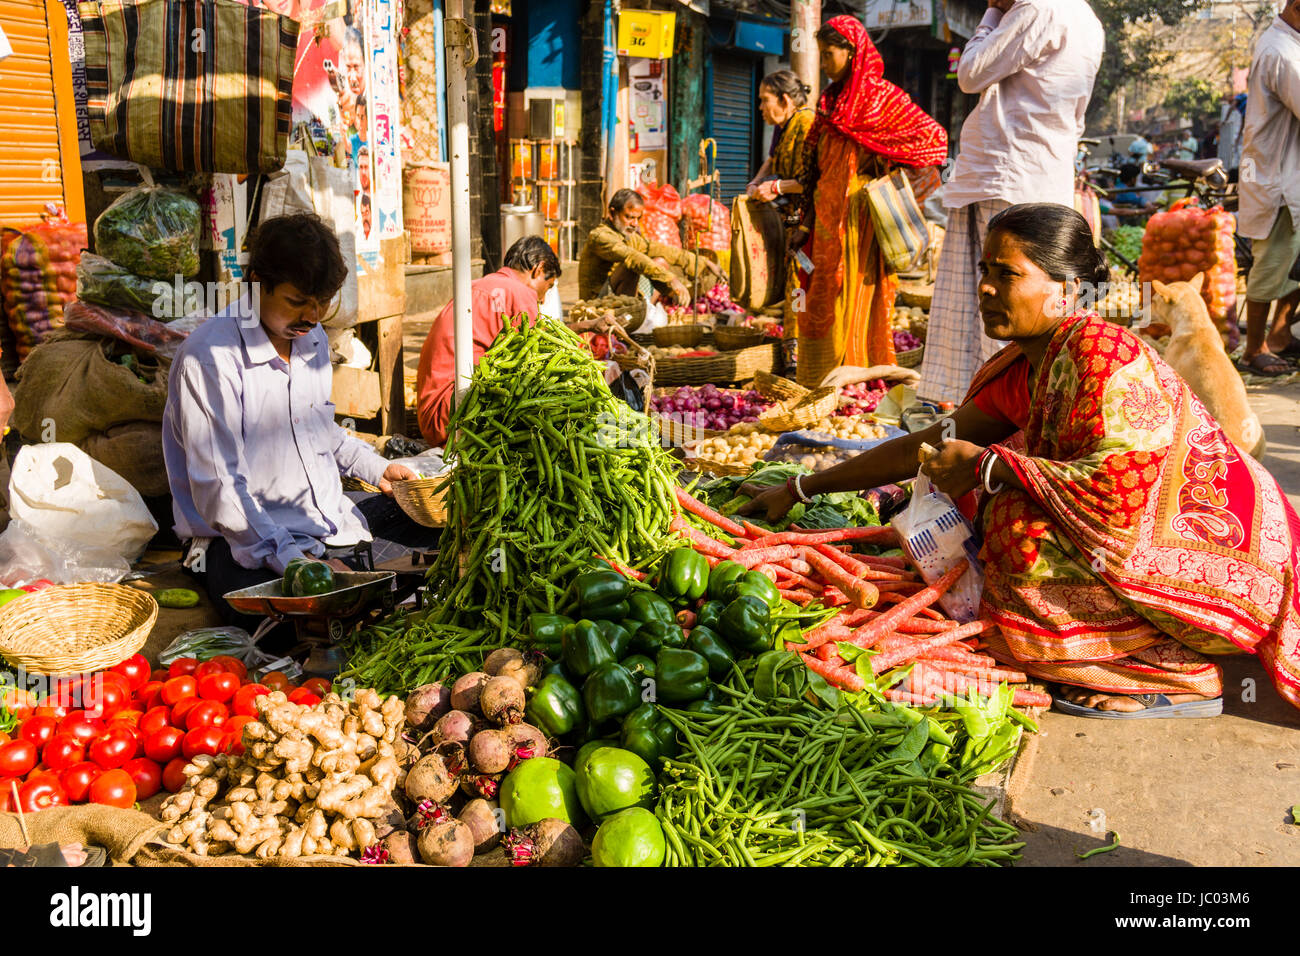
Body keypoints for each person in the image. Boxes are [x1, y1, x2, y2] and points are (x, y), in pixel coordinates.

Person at [743, 203, 1300, 717]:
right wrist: (798, 489)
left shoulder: (1103, 355)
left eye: (1007, 274)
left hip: (1230, 565)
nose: (985, 288)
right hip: (1161, 551)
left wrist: (990, 467)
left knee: (1013, 525)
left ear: (1070, 289)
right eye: (985, 270)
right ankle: (1100, 641)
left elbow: (1123, 489)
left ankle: (1165, 671)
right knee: (978, 499)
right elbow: (928, 444)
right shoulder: (1029, 364)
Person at [163, 214, 429, 631]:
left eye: (323, 301)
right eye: (298, 300)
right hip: (244, 545)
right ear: (256, 282)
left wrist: (379, 470)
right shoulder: (209, 358)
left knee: (437, 552)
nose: (313, 313)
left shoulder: (313, 338)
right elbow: (221, 493)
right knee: (311, 627)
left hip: (327, 524)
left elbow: (320, 430)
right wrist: (295, 562)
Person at [918, 0, 1104, 406]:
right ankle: (1020, 406)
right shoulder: (1085, 18)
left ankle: (997, 413)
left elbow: (968, 73)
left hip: (1007, 176)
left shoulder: (1036, 10)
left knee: (999, 305)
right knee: (1031, 305)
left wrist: (991, 13)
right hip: (1035, 174)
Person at [788, 16, 947, 388]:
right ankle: (820, 381)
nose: (824, 63)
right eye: (821, 55)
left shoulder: (884, 100)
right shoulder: (829, 102)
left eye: (829, 55)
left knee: (859, 298)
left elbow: (932, 141)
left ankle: (857, 379)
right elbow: (813, 172)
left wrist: (886, 176)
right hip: (826, 223)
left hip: (863, 224)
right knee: (820, 297)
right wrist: (805, 224)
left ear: (852, 53)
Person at [417, 236, 616, 447]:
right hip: (451, 414)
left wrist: (587, 326)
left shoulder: (484, 285)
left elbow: (539, 333)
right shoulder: (518, 292)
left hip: (434, 412)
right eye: (548, 287)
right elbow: (541, 349)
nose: (543, 300)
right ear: (538, 270)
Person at [1236, 0, 1300, 377]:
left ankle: (1279, 335)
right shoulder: (1283, 53)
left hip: (1289, 178)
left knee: (1294, 266)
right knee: (1271, 267)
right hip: (1278, 183)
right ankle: (1252, 349)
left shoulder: (1289, 47)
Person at [736, 70, 815, 329]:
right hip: (788, 223)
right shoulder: (783, 127)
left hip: (808, 225)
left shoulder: (806, 124)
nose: (760, 107)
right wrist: (756, 182)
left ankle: (797, 350)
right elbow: (771, 160)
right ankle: (792, 344)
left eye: (764, 100)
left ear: (784, 100)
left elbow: (814, 179)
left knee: (800, 285)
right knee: (792, 285)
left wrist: (777, 187)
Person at [577, 189, 722, 303]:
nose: (634, 223)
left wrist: (703, 262)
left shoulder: (630, 237)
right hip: (597, 301)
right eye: (629, 217)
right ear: (612, 213)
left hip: (616, 295)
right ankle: (628, 318)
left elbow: (662, 249)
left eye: (637, 218)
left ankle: (651, 307)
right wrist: (671, 279)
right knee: (632, 266)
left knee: (660, 261)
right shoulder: (600, 236)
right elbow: (632, 257)